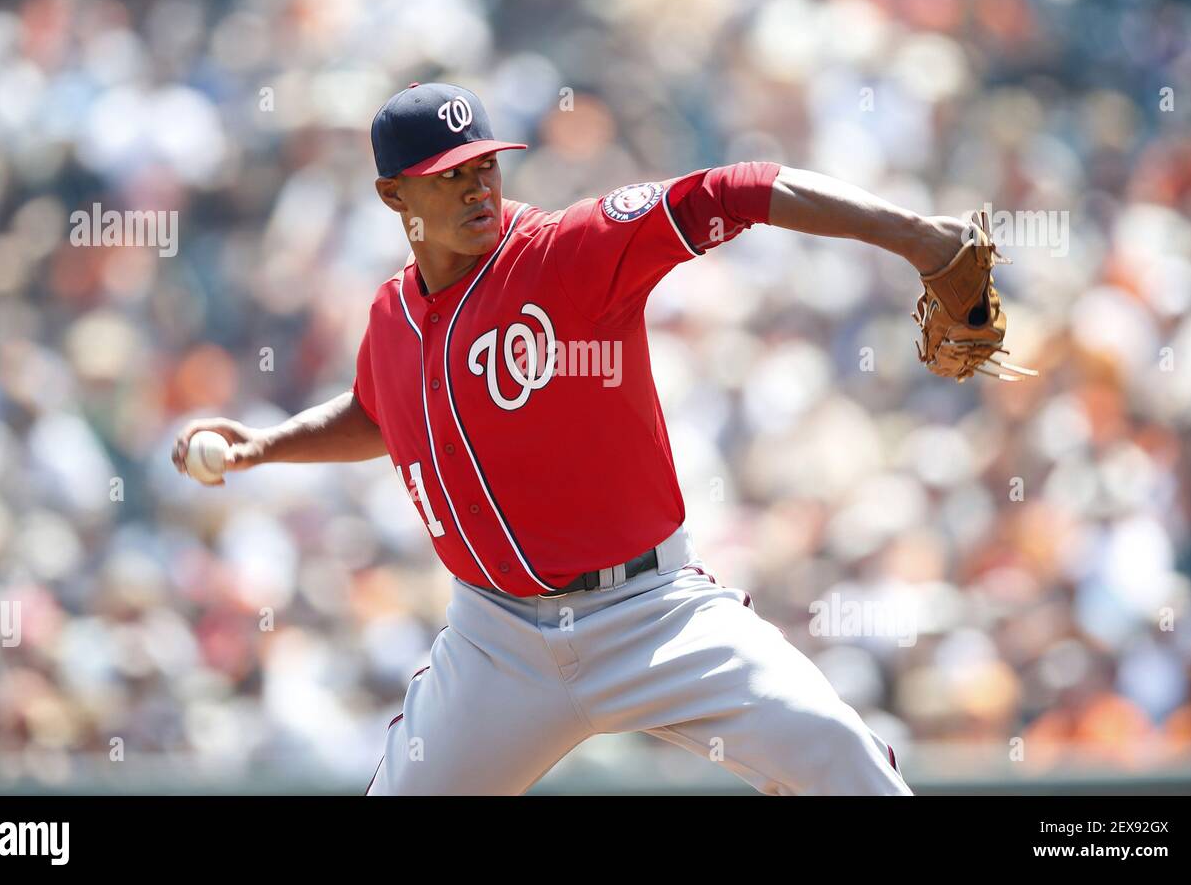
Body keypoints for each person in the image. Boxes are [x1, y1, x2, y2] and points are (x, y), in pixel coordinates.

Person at [172, 81, 969, 795]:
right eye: (447, 175)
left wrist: (919, 239)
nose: (476, 186)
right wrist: (264, 446)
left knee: (837, 753)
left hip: (650, 612)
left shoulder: (566, 253)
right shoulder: (391, 315)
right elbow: (378, 415)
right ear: (392, 194)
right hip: (496, 645)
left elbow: (738, 188)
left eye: (485, 165)